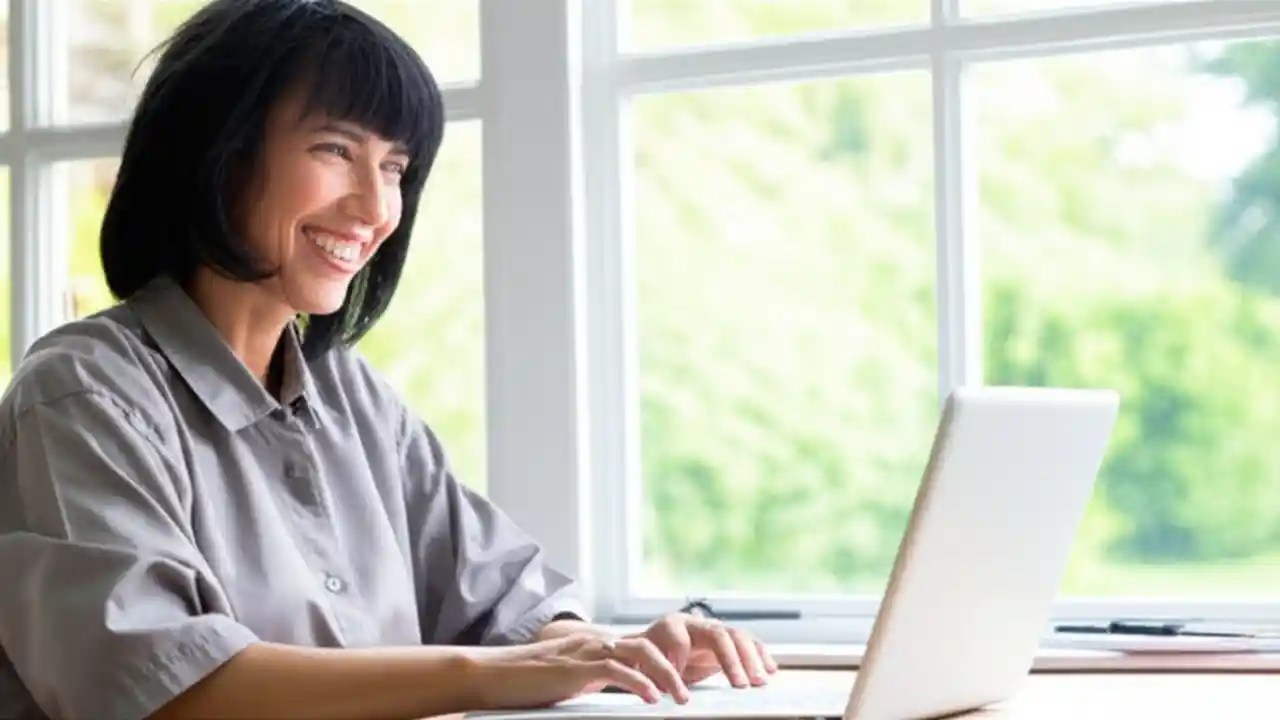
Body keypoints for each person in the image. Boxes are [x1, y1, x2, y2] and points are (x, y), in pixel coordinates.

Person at [0, 1, 777, 718]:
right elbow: (163, 687)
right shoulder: (84, 395)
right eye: (336, 150)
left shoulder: (357, 401)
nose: (375, 210)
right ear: (217, 154)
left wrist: (612, 648)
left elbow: (505, 602)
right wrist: (476, 675)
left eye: (396, 168)